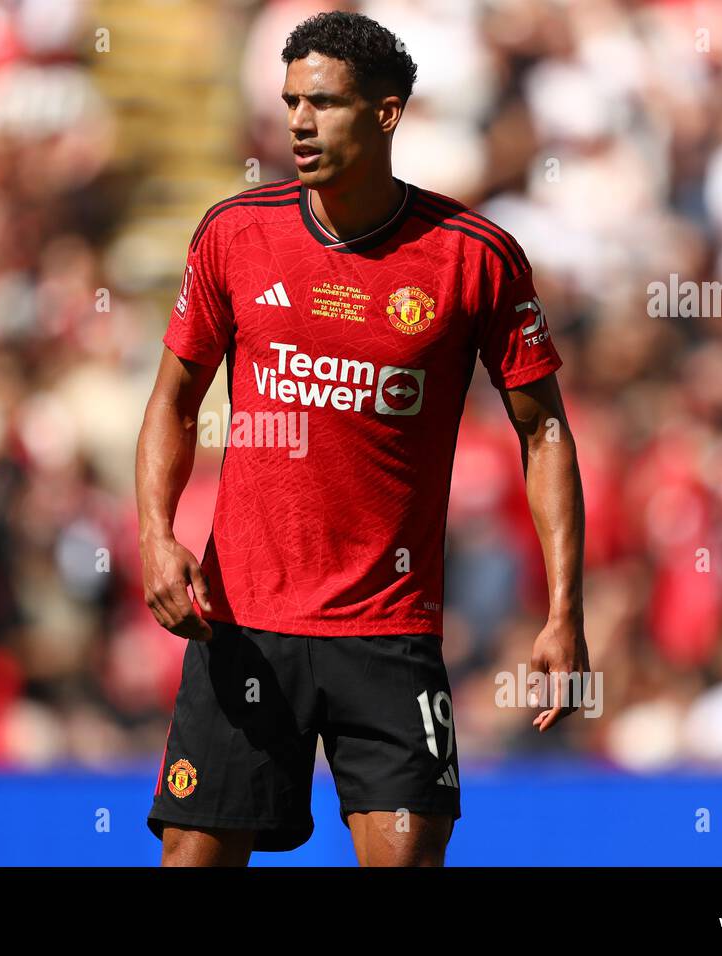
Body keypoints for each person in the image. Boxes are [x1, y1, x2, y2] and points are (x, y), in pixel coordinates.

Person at [135, 11, 589, 867]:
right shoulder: (235, 233)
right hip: (241, 621)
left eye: (325, 103)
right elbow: (171, 403)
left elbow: (547, 431)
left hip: (387, 631)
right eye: (290, 102)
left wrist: (564, 609)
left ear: (385, 114)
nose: (298, 122)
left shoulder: (474, 258)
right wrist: (156, 539)